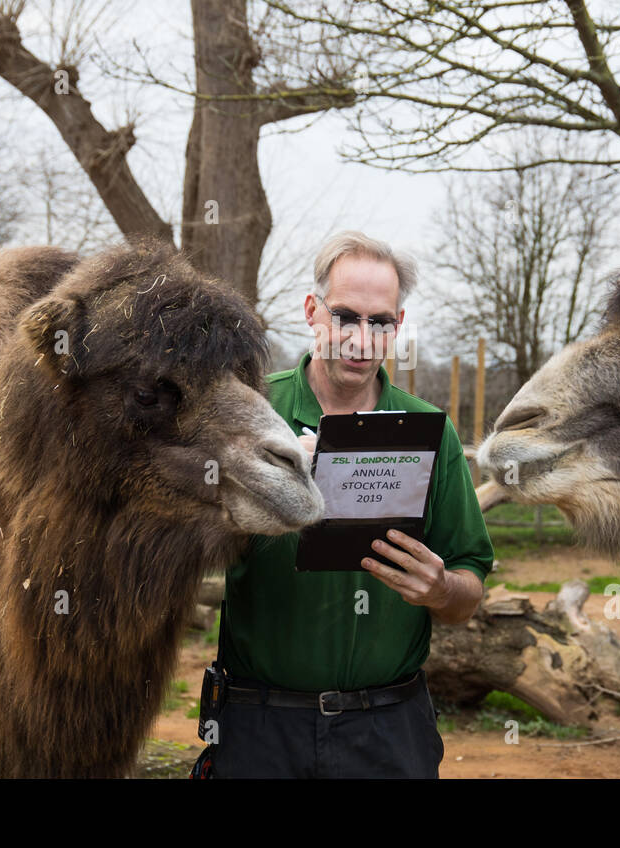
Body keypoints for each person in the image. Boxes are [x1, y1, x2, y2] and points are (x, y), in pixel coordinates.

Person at [197, 231, 494, 778]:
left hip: (387, 730)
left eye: (380, 321)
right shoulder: (254, 409)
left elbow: (469, 585)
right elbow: (186, 544)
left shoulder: (431, 433)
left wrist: (442, 587)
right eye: (345, 317)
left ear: (397, 327)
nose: (360, 339)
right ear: (313, 312)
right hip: (259, 726)